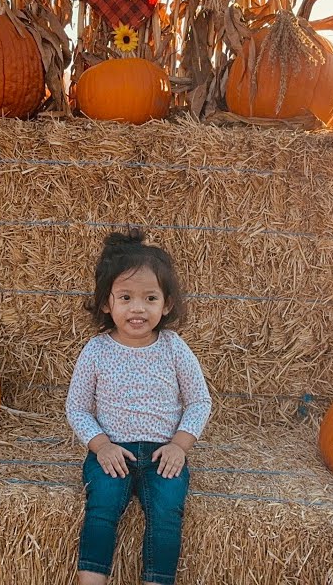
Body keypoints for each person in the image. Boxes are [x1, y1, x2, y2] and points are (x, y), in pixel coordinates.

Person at [66, 230, 212, 585]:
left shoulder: (174, 347)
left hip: (164, 453)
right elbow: (77, 407)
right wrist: (101, 446)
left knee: (166, 513)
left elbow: (199, 400)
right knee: (101, 508)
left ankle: (156, 579)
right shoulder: (97, 350)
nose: (137, 308)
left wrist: (179, 445)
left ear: (166, 305)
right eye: (126, 297)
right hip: (112, 453)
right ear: (106, 303)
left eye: (150, 298)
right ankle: (91, 579)